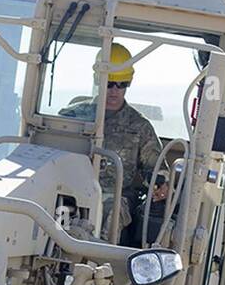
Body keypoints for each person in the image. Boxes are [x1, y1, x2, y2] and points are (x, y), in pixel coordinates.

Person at [60, 43, 170, 243]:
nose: (114, 91)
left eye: (122, 84)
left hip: (116, 195)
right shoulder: (71, 117)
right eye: (109, 83)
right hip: (70, 188)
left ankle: (98, 265)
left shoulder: (140, 127)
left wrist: (159, 183)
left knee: (110, 211)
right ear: (98, 79)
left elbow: (156, 169)